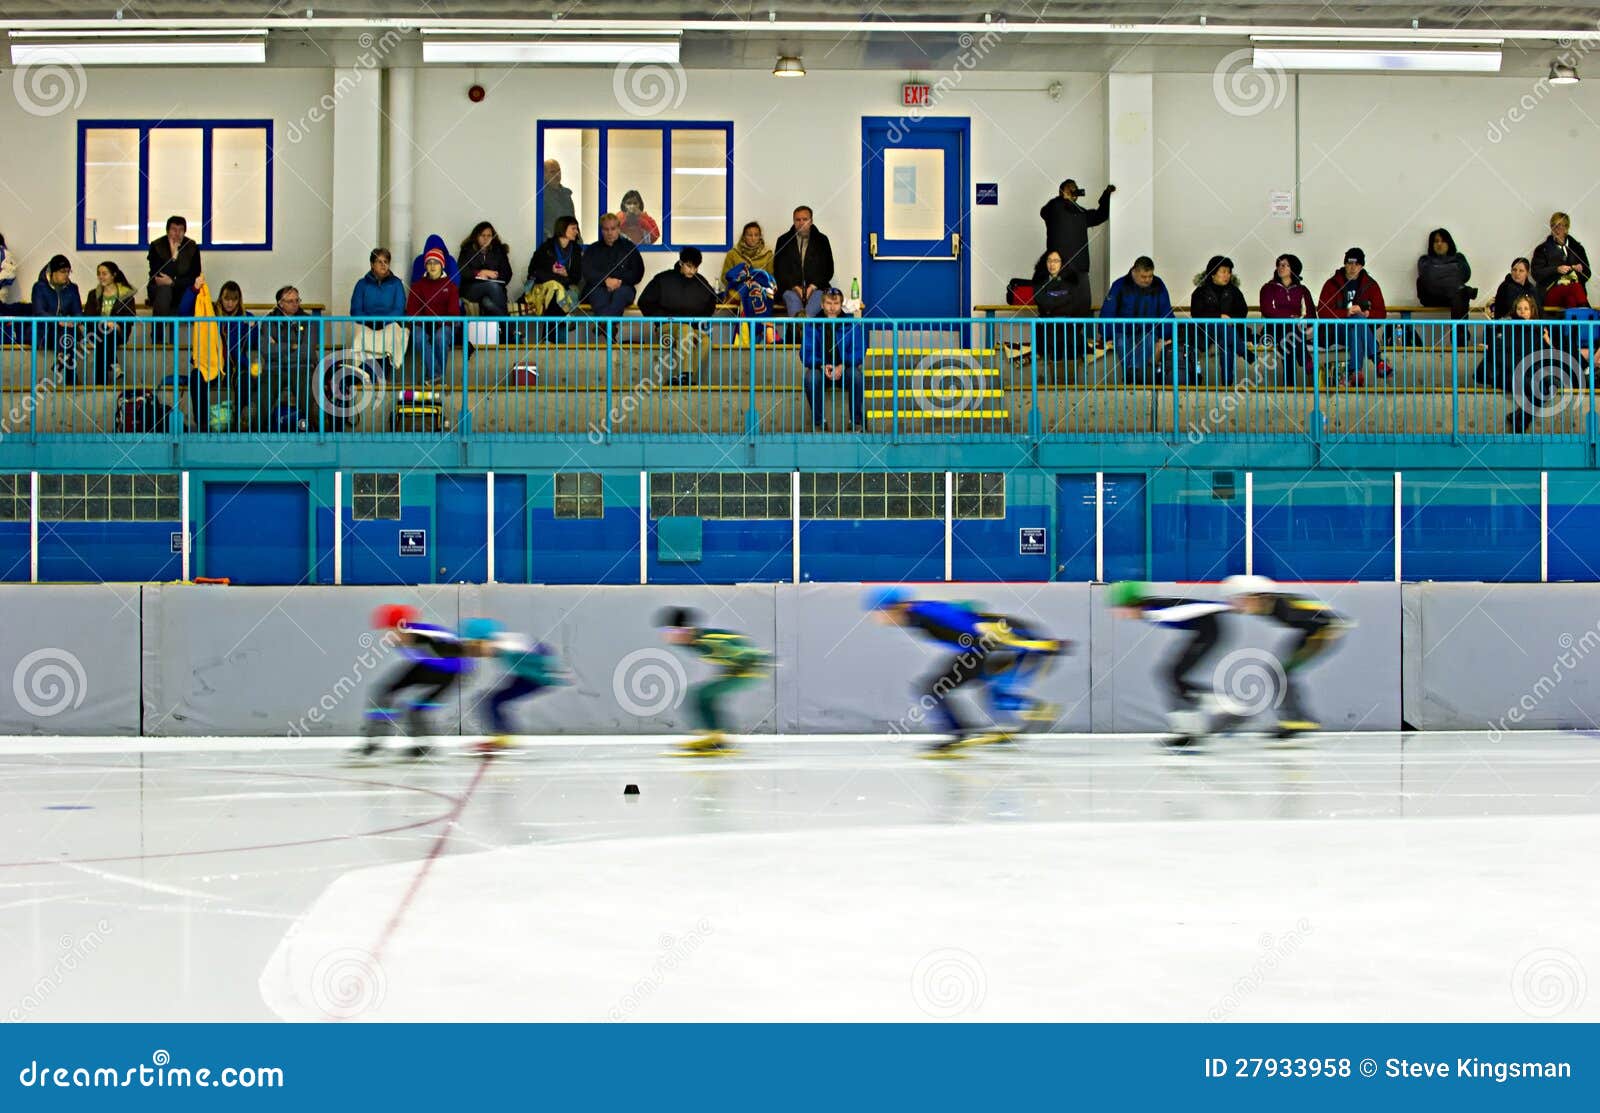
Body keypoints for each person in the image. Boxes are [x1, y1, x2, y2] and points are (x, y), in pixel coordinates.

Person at [865, 587, 1065, 756]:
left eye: (879, 611)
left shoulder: (926, 614)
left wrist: (1036, 645)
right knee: (947, 688)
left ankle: (972, 729)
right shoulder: (918, 614)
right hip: (983, 648)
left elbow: (980, 626)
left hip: (1000, 643)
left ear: (895, 607)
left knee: (933, 689)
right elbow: (971, 609)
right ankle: (1015, 717)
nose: (877, 617)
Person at [1221, 575, 1351, 740]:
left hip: (1322, 634)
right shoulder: (1269, 603)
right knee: (1278, 672)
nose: (1239, 605)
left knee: (1279, 672)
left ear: (1259, 596)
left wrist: (1336, 625)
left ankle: (1297, 720)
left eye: (1243, 600)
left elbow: (1326, 617)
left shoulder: (1288, 610)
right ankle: (1297, 719)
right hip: (1309, 632)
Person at [1106, 580, 1234, 747]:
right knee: (1172, 677)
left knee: (1171, 675)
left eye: (1120, 608)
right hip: (1201, 632)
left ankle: (1224, 709)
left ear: (1131, 603)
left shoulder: (1157, 611)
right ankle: (1190, 728)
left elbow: (1193, 607)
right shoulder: (1150, 610)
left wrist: (1223, 606)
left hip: (1210, 632)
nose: (1119, 614)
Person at [357, 605, 488, 760]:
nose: (388, 634)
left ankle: (422, 748)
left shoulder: (426, 635)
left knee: (416, 709)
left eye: (390, 628)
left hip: (452, 672)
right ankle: (374, 743)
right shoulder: (400, 639)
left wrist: (479, 649)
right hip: (428, 666)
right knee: (384, 692)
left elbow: (461, 646)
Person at [654, 606, 772, 755]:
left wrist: (758, 657)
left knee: (701, 695)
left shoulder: (707, 640)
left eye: (671, 631)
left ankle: (716, 738)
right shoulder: (691, 642)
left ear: (686, 629)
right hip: (741, 670)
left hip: (751, 669)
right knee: (704, 696)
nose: (668, 636)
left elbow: (738, 650)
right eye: (665, 632)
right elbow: (727, 657)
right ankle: (716, 737)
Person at [474, 626, 569, 752]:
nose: (482, 655)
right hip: (528, 676)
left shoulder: (509, 646)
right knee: (492, 700)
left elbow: (539, 651)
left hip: (536, 678)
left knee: (493, 701)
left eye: (480, 649)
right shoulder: (503, 646)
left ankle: (505, 737)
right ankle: (505, 737)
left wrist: (555, 672)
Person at [638, 246, 719, 385]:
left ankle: (686, 377)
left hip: (690, 329)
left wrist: (698, 322)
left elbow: (712, 303)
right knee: (686, 329)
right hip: (666, 328)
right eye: (689, 266)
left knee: (706, 341)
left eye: (695, 267)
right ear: (681, 263)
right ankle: (683, 375)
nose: (692, 271)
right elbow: (644, 302)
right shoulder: (663, 279)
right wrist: (661, 320)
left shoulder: (701, 282)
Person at [1476, 292, 1555, 433]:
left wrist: (1547, 342)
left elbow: (1548, 359)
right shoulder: (1506, 327)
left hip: (1525, 373)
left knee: (1549, 385)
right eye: (1519, 309)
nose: (1522, 312)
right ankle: (1520, 421)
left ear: (1532, 311)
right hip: (1506, 373)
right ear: (1515, 311)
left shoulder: (1537, 331)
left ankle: (1519, 418)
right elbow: (1500, 355)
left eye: (1526, 309)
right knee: (1539, 387)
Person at [1315, 248, 1388, 385]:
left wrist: (1366, 314)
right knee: (1356, 320)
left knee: (1357, 325)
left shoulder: (1371, 285)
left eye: (1356, 264)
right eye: (1349, 263)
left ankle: (1355, 372)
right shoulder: (1332, 283)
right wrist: (1346, 313)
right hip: (1336, 330)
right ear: (1344, 264)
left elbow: (1381, 313)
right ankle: (1378, 361)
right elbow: (1322, 311)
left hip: (1358, 331)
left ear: (1362, 266)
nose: (1352, 267)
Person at [799, 287, 867, 431]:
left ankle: (856, 422)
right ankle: (819, 422)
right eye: (828, 303)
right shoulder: (812, 325)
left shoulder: (851, 324)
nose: (832, 307)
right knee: (810, 377)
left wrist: (843, 365)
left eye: (836, 303)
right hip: (822, 371)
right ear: (822, 305)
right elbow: (806, 353)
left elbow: (859, 352)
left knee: (856, 375)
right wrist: (822, 365)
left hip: (845, 371)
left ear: (841, 305)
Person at [195, 280, 258, 433]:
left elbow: (253, 344)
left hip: (234, 366)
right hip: (212, 364)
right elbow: (183, 311)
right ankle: (202, 423)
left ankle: (238, 422)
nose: (230, 303)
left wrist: (252, 328)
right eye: (226, 298)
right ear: (220, 298)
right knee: (195, 376)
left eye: (234, 299)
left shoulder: (247, 317)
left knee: (245, 378)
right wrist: (194, 289)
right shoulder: (210, 313)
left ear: (239, 300)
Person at [1100, 256, 1174, 384]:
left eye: (1150, 276)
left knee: (1149, 340)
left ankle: (1133, 375)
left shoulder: (1159, 285)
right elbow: (1108, 311)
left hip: (1148, 332)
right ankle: (1132, 377)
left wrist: (1165, 335)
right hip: (1122, 331)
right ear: (1134, 272)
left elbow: (1166, 311)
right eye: (1143, 277)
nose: (1148, 280)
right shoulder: (1119, 285)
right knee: (1121, 342)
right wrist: (1107, 335)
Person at [261, 285, 318, 429]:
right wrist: (292, 346)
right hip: (274, 368)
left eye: (297, 300)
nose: (295, 304)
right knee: (263, 395)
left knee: (307, 392)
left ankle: (311, 429)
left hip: (301, 367)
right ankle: (261, 431)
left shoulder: (308, 320)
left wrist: (278, 347)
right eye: (290, 301)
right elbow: (265, 350)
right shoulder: (269, 320)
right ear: (280, 303)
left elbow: (307, 352)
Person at [1187, 254, 1250, 385]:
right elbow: (1197, 313)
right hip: (1204, 333)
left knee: (1226, 342)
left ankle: (1227, 383)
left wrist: (1231, 319)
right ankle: (1244, 352)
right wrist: (1218, 316)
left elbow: (1243, 311)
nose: (1227, 275)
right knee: (1222, 326)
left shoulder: (1234, 291)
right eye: (1223, 271)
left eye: (1229, 272)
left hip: (1227, 333)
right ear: (1212, 274)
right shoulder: (1200, 292)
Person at [1039, 178, 1114, 281]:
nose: (1073, 191)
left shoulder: (1081, 213)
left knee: (1082, 297)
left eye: (1075, 189)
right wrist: (1062, 199)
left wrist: (1106, 195)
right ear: (1062, 192)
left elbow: (1101, 215)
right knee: (1059, 296)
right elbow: (1044, 212)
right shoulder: (1055, 209)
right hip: (1059, 270)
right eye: (1069, 188)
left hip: (1080, 270)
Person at [1029, 249, 1092, 373]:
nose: (1052, 264)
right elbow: (1044, 303)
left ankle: (1070, 383)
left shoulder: (1071, 280)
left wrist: (1053, 301)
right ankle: (1055, 383)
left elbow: (1075, 304)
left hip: (1068, 327)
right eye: (1049, 260)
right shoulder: (1039, 279)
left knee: (1071, 350)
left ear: (1062, 263)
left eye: (1056, 261)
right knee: (1054, 351)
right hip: (1048, 328)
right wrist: (1063, 299)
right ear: (1045, 263)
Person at [348, 247, 409, 373]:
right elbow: (355, 309)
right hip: (367, 324)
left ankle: (386, 374)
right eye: (379, 261)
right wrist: (370, 321)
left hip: (389, 324)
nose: (383, 265)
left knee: (392, 335)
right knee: (360, 335)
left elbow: (399, 309)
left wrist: (383, 321)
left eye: (386, 261)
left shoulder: (396, 283)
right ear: (372, 264)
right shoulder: (362, 284)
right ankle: (364, 374)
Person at [406, 246, 461, 384]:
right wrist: (425, 321)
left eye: (435, 262)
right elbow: (412, 311)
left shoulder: (451, 286)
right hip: (423, 324)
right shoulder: (417, 286)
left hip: (444, 325)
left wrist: (438, 322)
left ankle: (433, 377)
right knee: (418, 337)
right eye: (429, 263)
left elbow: (453, 313)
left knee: (441, 337)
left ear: (442, 264)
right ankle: (437, 375)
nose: (432, 266)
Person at [1258, 253, 1316, 385]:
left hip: (1296, 331)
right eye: (1279, 264)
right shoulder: (1268, 288)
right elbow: (1268, 311)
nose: (1280, 267)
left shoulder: (1302, 290)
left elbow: (1311, 314)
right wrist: (1289, 318)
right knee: (1288, 329)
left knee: (1288, 340)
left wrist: (1298, 320)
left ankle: (1289, 387)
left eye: (1285, 265)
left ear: (1293, 269)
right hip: (1272, 329)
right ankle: (1306, 360)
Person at [581, 213, 645, 329]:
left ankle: (604, 325)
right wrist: (605, 281)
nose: (609, 232)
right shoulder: (593, 249)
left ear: (619, 229)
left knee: (621, 294)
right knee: (597, 294)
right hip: (598, 287)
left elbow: (638, 273)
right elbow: (587, 272)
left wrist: (619, 281)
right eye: (606, 229)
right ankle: (610, 328)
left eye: (613, 229)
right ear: (601, 230)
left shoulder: (629, 248)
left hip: (624, 287)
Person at [772, 206, 835, 318]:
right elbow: (779, 271)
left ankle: (800, 330)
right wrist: (795, 287)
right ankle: (802, 330)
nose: (801, 223)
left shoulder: (822, 240)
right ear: (794, 221)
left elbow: (828, 270)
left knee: (815, 305)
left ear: (811, 221)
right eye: (798, 220)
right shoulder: (783, 240)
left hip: (817, 288)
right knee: (793, 302)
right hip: (790, 289)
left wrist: (812, 287)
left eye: (805, 219)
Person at [29, 255, 83, 382]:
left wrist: (73, 321)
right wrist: (60, 321)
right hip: (47, 331)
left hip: (67, 331)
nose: (66, 275)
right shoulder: (39, 287)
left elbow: (78, 312)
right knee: (67, 334)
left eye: (68, 271)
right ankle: (71, 379)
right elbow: (39, 312)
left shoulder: (72, 288)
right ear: (52, 273)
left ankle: (62, 357)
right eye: (62, 271)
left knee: (70, 332)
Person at [82, 261, 137, 385]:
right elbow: (88, 316)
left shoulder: (125, 294)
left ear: (114, 275)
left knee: (104, 339)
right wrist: (104, 322)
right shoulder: (93, 294)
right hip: (96, 331)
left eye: (104, 274)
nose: (101, 276)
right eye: (99, 274)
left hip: (118, 332)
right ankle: (114, 363)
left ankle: (100, 385)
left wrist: (117, 324)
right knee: (104, 335)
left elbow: (130, 316)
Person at [146, 215, 203, 333]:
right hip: (158, 291)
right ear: (167, 231)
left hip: (183, 290)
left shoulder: (192, 246)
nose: (177, 233)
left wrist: (173, 282)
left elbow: (195, 277)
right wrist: (173, 257)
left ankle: (198, 343)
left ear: (185, 231)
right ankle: (158, 338)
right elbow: (158, 278)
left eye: (181, 230)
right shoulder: (156, 246)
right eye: (173, 229)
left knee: (197, 295)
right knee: (164, 290)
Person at [523, 215, 584, 318]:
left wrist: (566, 274)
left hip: (567, 288)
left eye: (577, 228)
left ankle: (551, 332)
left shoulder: (576, 251)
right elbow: (532, 271)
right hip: (546, 289)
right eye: (573, 228)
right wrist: (551, 270)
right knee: (554, 293)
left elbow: (577, 277)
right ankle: (565, 321)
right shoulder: (546, 247)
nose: (577, 232)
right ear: (563, 228)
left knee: (556, 299)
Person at [1531, 211, 1590, 310]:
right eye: (1553, 226)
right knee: (1575, 288)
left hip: (1572, 293)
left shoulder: (1577, 248)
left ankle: (1573, 324)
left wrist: (1580, 270)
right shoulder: (1542, 249)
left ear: (1566, 228)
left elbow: (1588, 274)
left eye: (1560, 226)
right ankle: (1587, 314)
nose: (1556, 229)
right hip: (1550, 291)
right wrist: (1556, 269)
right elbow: (1536, 273)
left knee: (1571, 300)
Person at [1416, 228, 1476, 320]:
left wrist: (1438, 272)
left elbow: (1466, 275)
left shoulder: (1459, 257)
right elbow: (1430, 278)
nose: (1439, 244)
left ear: (1449, 243)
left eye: (1443, 241)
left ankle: (1459, 334)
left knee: (1461, 295)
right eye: (1436, 241)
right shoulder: (1425, 260)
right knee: (1462, 290)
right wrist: (1453, 272)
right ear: (1432, 244)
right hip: (1431, 297)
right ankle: (1466, 290)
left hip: (1453, 297)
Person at [456, 221, 513, 317]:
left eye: (489, 236)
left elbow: (508, 274)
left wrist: (494, 275)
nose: (486, 238)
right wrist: (480, 272)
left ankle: (504, 330)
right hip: (472, 290)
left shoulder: (499, 250)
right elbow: (462, 272)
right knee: (492, 286)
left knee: (488, 304)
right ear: (476, 236)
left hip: (495, 291)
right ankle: (510, 328)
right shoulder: (467, 250)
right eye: (482, 235)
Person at [722, 221, 775, 288]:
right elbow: (724, 277)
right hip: (738, 293)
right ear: (744, 237)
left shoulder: (768, 254)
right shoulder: (733, 254)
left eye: (756, 235)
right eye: (750, 235)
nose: (753, 238)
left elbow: (772, 278)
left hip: (761, 293)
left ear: (760, 237)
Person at [541, 159, 575, 242]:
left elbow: (573, 221)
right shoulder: (541, 196)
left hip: (569, 245)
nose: (557, 175)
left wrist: (579, 244)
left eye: (559, 171)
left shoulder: (566, 194)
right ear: (544, 174)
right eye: (552, 172)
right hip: (550, 245)